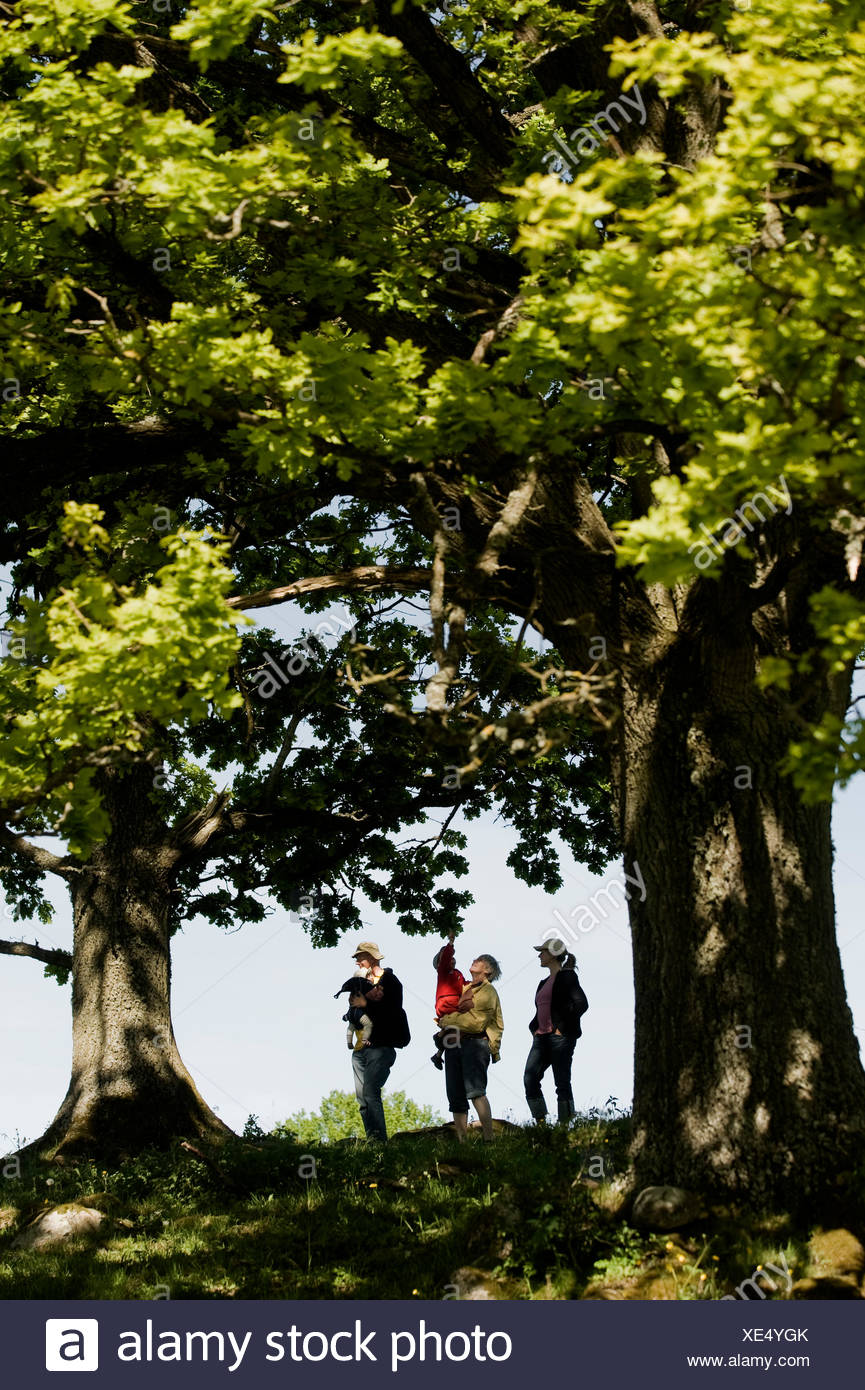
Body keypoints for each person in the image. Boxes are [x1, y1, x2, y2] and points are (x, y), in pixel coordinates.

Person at [436, 954, 503, 1142]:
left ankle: (489, 1139)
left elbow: (476, 1023)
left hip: (475, 1043)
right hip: (454, 1043)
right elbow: (440, 969)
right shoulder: (463, 987)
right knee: (455, 1096)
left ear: (487, 970)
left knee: (476, 1092)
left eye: (480, 960)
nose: (474, 960)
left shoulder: (488, 992)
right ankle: (462, 1143)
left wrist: (447, 1020)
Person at [523, 933, 588, 1125]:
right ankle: (541, 1123)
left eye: (542, 952)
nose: (539, 956)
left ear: (552, 954)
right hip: (541, 1038)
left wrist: (561, 1028)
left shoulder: (567, 976)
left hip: (561, 1038)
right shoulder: (543, 983)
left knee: (561, 1082)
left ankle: (564, 1126)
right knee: (530, 1077)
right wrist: (534, 1027)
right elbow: (540, 1010)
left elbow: (581, 1004)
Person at [348, 940, 410, 1141]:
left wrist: (367, 1002)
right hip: (359, 1049)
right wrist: (364, 1001)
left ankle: (380, 1142)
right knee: (362, 1098)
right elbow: (353, 1012)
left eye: (360, 958)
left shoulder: (391, 981)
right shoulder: (359, 984)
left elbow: (390, 1011)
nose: (357, 962)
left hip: (381, 1047)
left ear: (372, 957)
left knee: (370, 1091)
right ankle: (372, 1139)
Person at [430, 931, 470, 1070]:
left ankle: (438, 1053)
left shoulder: (458, 973)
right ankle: (439, 1037)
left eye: (453, 958)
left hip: (455, 1005)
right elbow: (446, 956)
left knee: (453, 1029)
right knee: (458, 1024)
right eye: (448, 957)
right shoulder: (443, 971)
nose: (451, 959)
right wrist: (451, 943)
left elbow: (466, 985)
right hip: (447, 1004)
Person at [334, 974, 375, 1051]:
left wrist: (346, 1016)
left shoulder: (352, 994)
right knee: (368, 1024)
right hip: (359, 1013)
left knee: (351, 1027)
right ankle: (364, 1039)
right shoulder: (361, 993)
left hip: (351, 1013)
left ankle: (349, 1042)